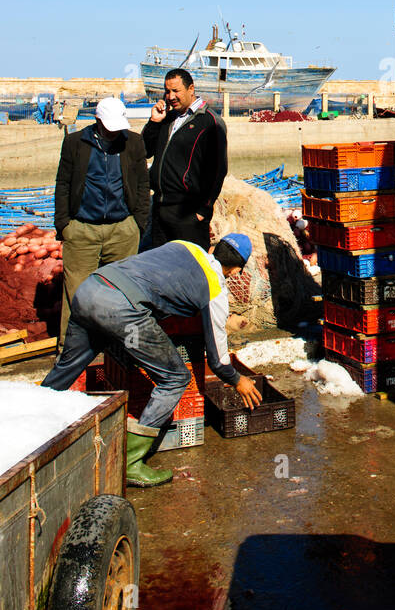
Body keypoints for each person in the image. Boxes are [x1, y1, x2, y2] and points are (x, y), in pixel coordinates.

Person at [43, 233, 262, 487]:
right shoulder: (215, 290)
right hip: (120, 309)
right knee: (176, 377)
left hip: (90, 288)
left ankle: (32, 428)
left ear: (215, 247)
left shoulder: (185, 244)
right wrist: (237, 380)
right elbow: (217, 360)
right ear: (236, 270)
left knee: (67, 366)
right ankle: (131, 462)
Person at [54, 97, 150, 344]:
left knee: (123, 294)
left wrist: (137, 224)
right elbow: (63, 183)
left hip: (122, 230)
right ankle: (70, 352)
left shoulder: (134, 142)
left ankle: (119, 349)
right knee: (76, 294)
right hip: (82, 230)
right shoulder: (75, 143)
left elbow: (142, 184)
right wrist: (64, 224)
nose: (114, 132)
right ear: (97, 120)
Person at [142, 69, 228, 249]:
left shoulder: (210, 122)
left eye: (176, 91)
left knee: (189, 270)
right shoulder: (168, 118)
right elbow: (145, 150)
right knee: (162, 269)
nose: (171, 96)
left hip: (188, 214)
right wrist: (154, 122)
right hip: (161, 209)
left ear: (191, 89)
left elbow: (218, 170)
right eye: (167, 91)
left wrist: (203, 210)